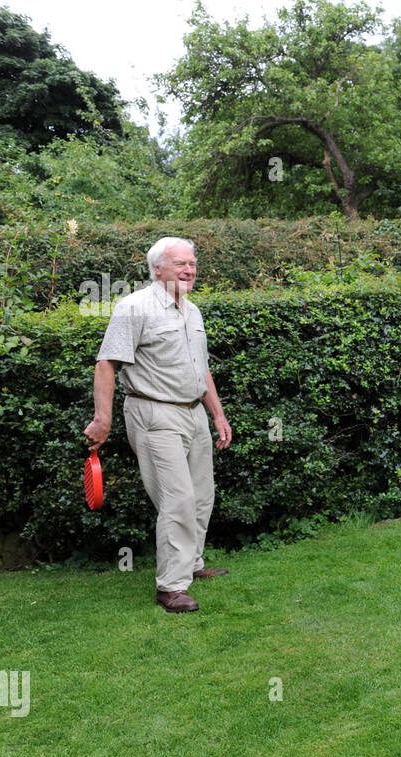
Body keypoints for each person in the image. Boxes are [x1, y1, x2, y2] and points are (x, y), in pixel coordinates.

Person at [83, 237, 232, 613]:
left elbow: (202, 370)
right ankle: (171, 587)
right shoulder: (134, 308)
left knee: (201, 496)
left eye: (193, 264)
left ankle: (191, 565)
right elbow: (107, 364)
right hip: (154, 414)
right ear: (156, 269)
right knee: (177, 499)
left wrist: (217, 414)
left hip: (194, 413)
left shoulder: (192, 311)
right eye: (180, 263)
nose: (189, 270)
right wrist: (103, 418)